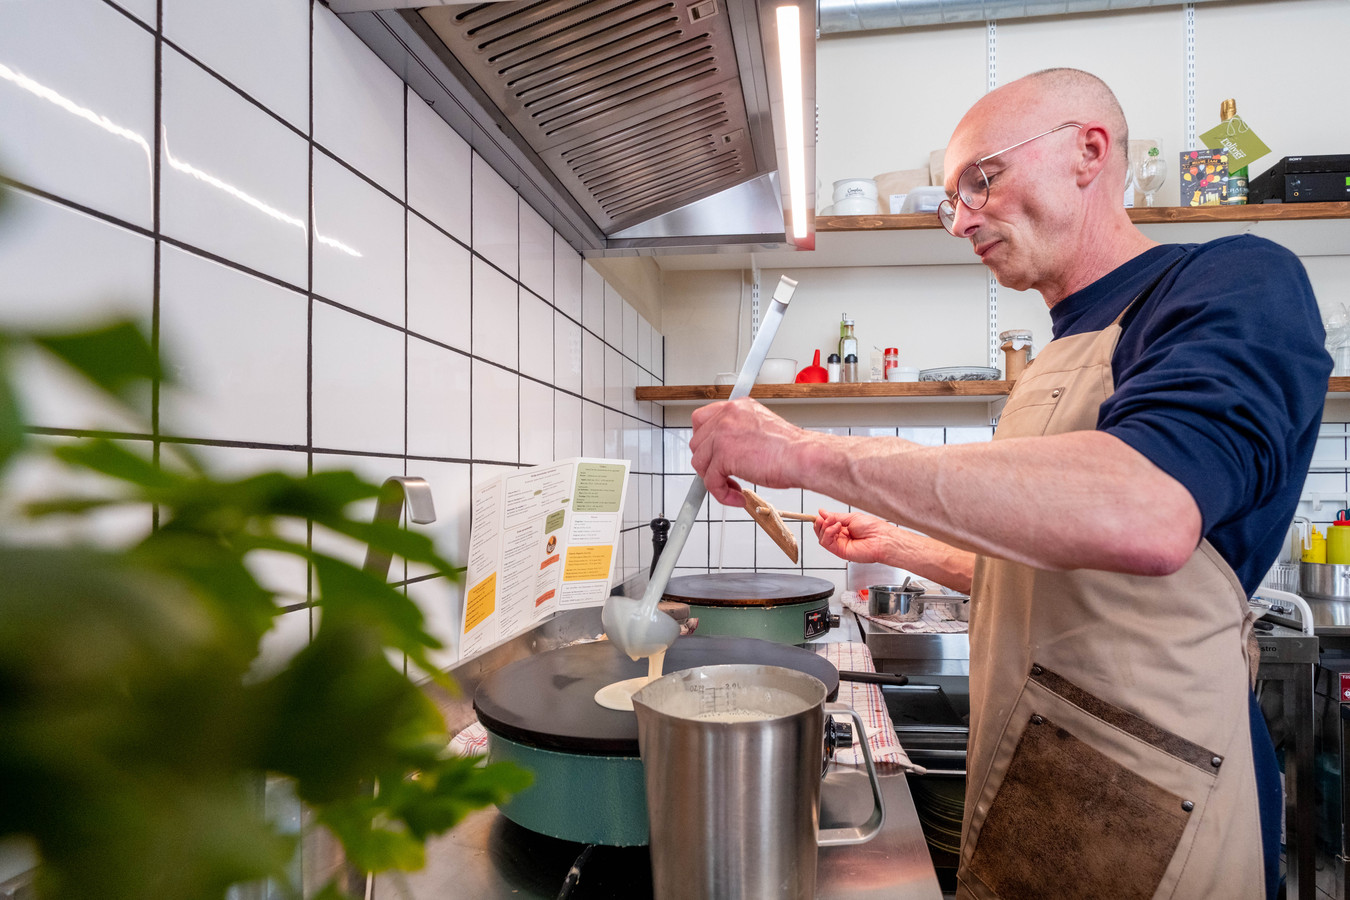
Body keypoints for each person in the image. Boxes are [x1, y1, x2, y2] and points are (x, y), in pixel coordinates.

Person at [689, 68, 1330, 900]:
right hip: (1035, 778)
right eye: (950, 198)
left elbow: (1142, 511)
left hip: (1156, 794)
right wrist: (904, 549)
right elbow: (1062, 577)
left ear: (1088, 152)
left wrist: (798, 450)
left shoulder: (1233, 283)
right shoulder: (1051, 358)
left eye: (978, 181)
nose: (959, 219)